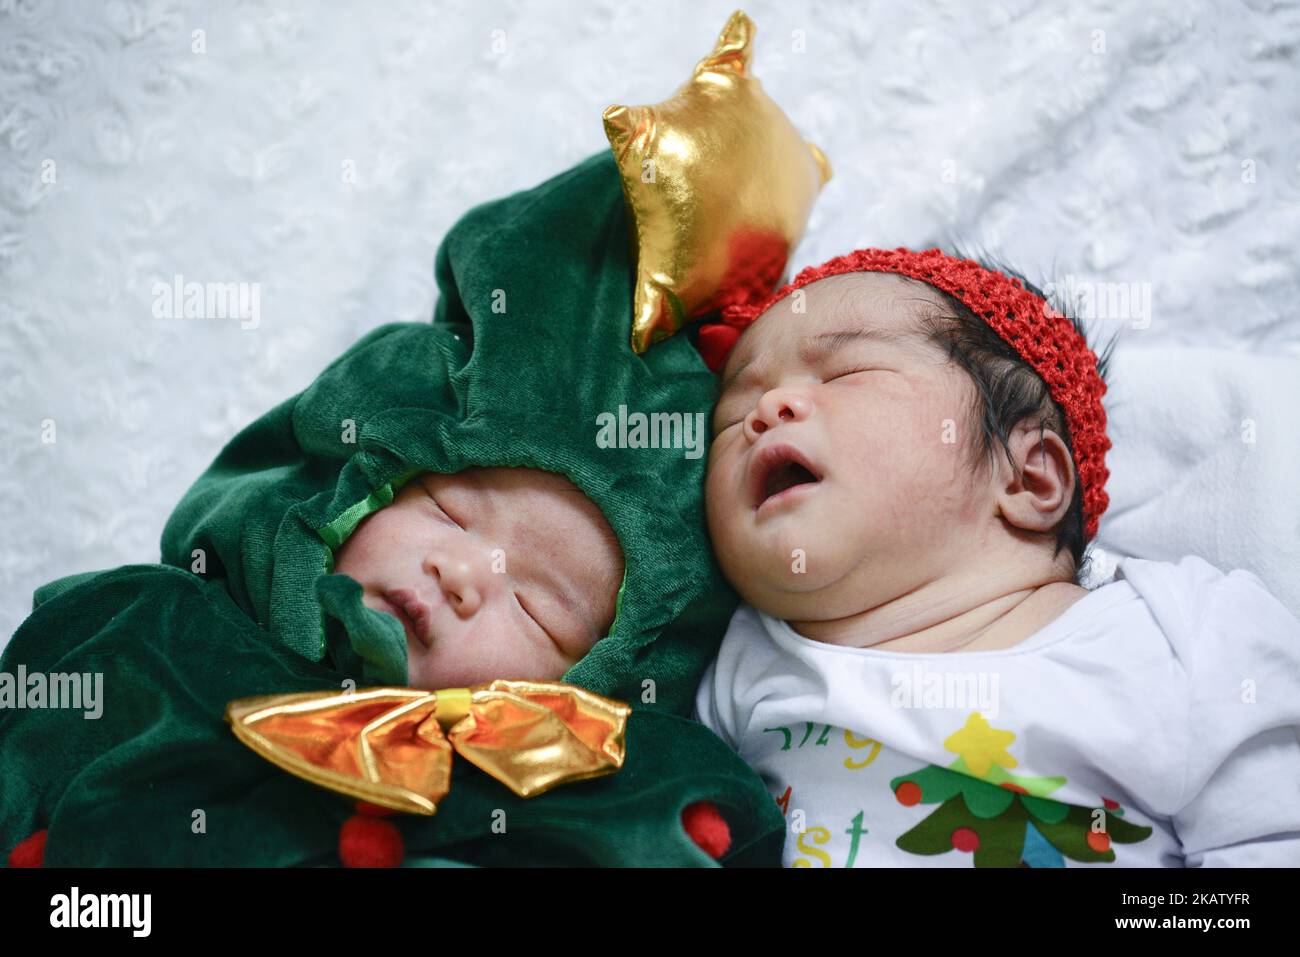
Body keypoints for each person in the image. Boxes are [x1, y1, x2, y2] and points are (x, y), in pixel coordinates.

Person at [694, 246, 1300, 867]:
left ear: (1028, 477)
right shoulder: (738, 669)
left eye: (846, 374)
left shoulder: (1182, 637)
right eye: (732, 414)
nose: (766, 413)